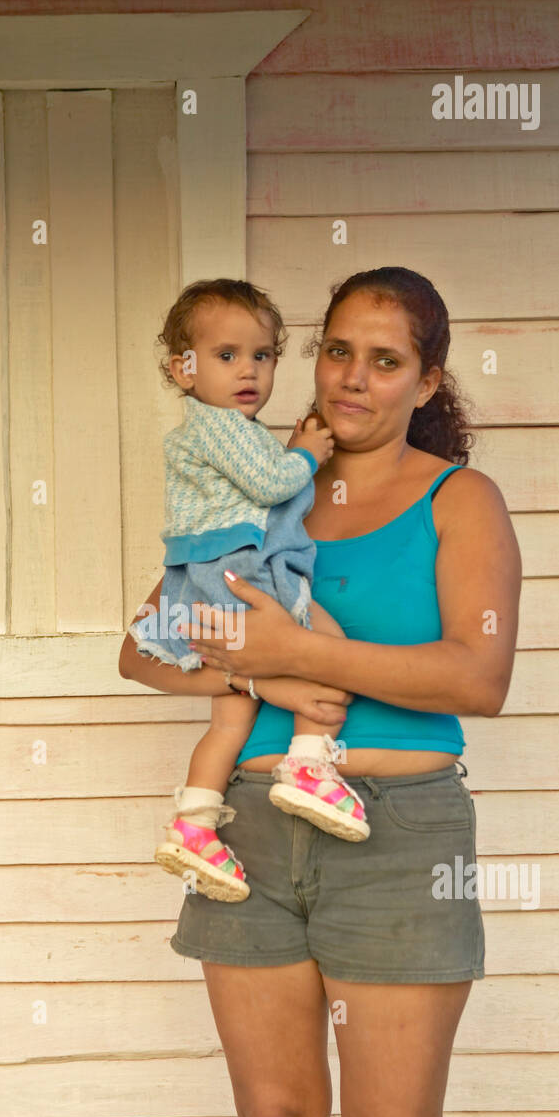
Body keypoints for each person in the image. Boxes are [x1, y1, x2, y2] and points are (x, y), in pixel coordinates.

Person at [119, 266, 522, 1117]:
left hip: (397, 834)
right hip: (249, 835)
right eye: (336, 350)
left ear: (426, 382)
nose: (351, 377)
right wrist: (261, 675)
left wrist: (291, 658)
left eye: (384, 361)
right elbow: (140, 648)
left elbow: (477, 677)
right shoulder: (268, 480)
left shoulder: (456, 498)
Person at [128, 279, 369, 907]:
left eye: (262, 356)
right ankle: (310, 767)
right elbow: (268, 484)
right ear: (183, 370)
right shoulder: (222, 428)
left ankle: (195, 825)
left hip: (211, 578)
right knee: (330, 656)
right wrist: (308, 453)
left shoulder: (219, 431)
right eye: (226, 355)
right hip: (245, 574)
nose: (249, 371)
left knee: (229, 719)